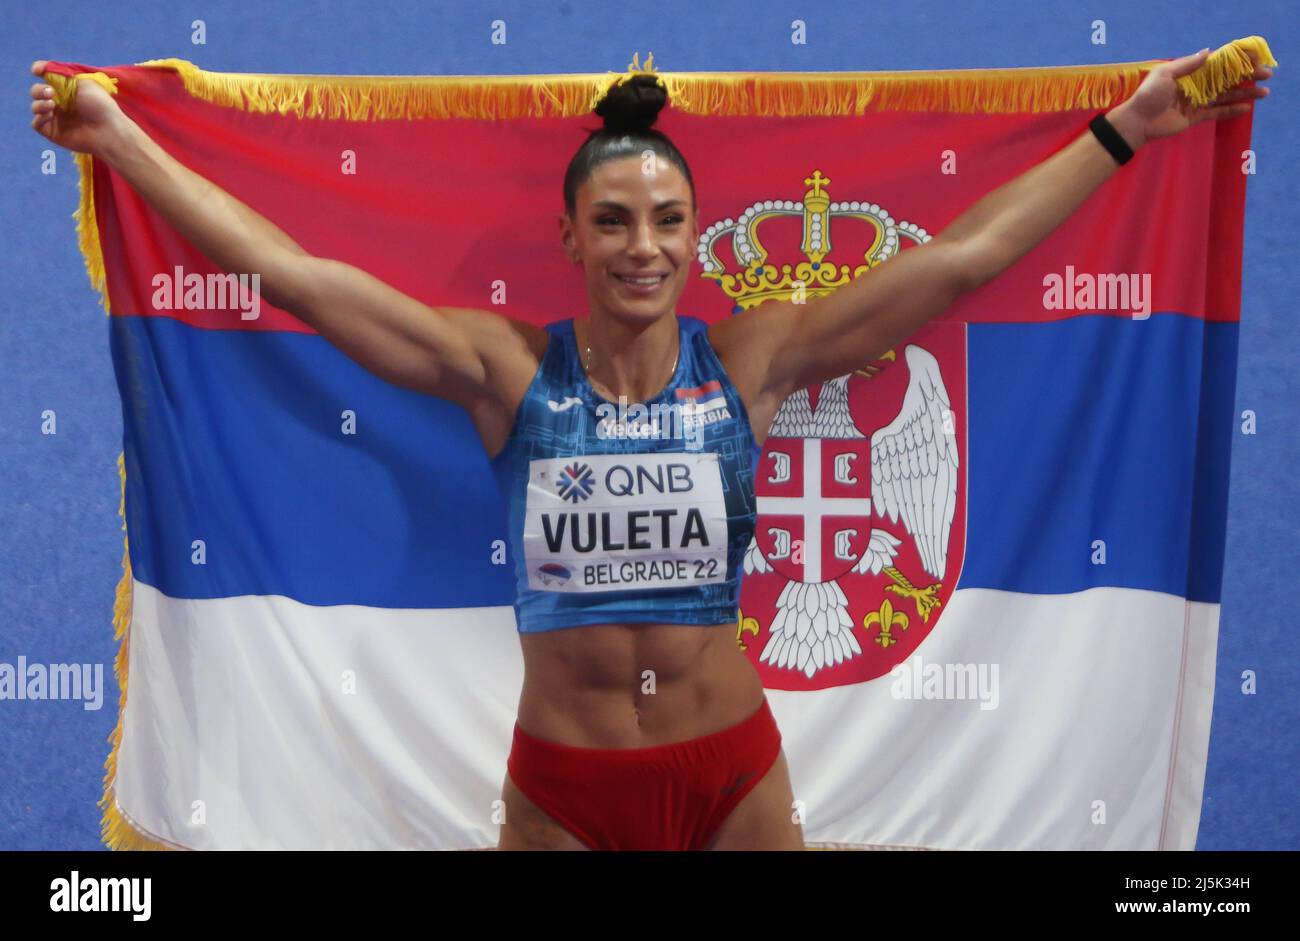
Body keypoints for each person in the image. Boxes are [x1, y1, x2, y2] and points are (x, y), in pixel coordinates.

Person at [28, 46, 1270, 851]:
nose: (641, 244)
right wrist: (121, 143)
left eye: (666, 220)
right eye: (612, 220)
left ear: (695, 236)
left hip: (730, 772)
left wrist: (1130, 127)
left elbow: (960, 262)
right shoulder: (503, 371)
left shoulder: (753, 362)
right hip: (561, 791)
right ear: (567, 236)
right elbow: (297, 277)